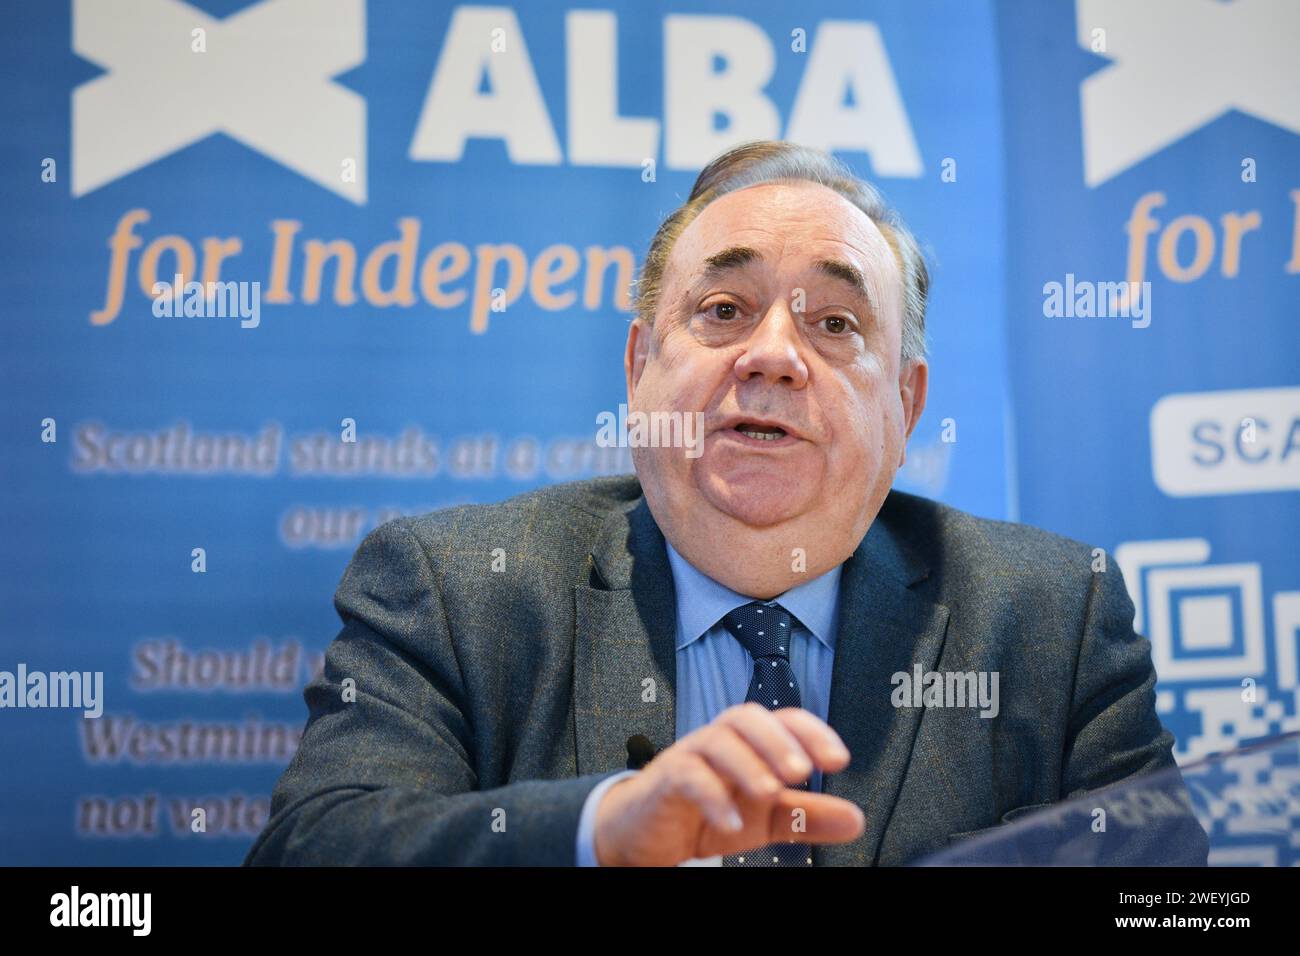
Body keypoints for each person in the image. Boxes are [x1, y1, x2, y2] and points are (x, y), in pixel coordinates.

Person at [245, 140, 1202, 867]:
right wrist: (600, 829)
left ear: (905, 405)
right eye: (723, 311)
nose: (774, 354)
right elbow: (314, 846)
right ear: (638, 368)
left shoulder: (1049, 617)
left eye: (834, 323)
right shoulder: (456, 590)